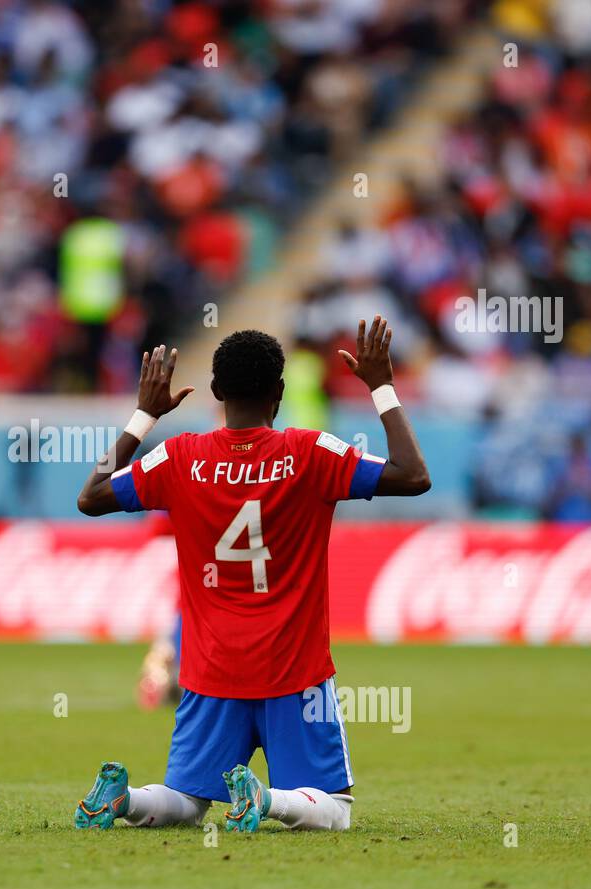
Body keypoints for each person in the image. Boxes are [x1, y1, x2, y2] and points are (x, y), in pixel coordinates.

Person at [74, 317, 430, 832]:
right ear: (280, 392)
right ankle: (266, 801)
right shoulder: (311, 453)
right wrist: (381, 386)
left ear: (216, 390)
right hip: (295, 672)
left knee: (187, 800)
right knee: (337, 809)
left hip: (211, 671)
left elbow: (91, 496)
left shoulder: (179, 456)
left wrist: (143, 416)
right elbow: (413, 476)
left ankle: (124, 799)